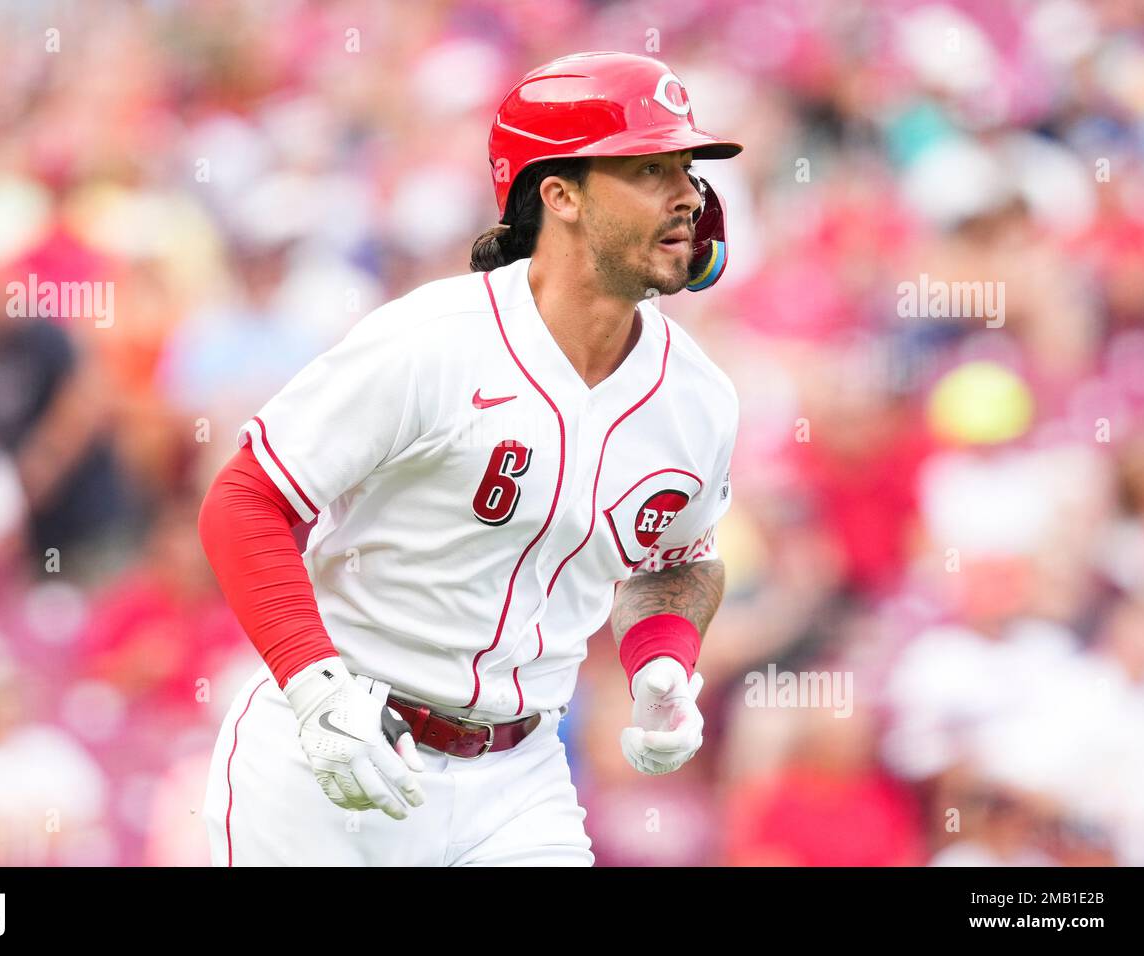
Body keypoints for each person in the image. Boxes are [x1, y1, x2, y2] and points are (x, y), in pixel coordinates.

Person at [198, 51, 742, 866]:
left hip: (520, 780)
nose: (687, 196)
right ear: (560, 194)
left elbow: (678, 560)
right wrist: (314, 689)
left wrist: (662, 656)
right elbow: (244, 501)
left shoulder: (699, 400)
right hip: (330, 761)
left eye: (687, 169)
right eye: (648, 167)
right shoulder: (433, 341)